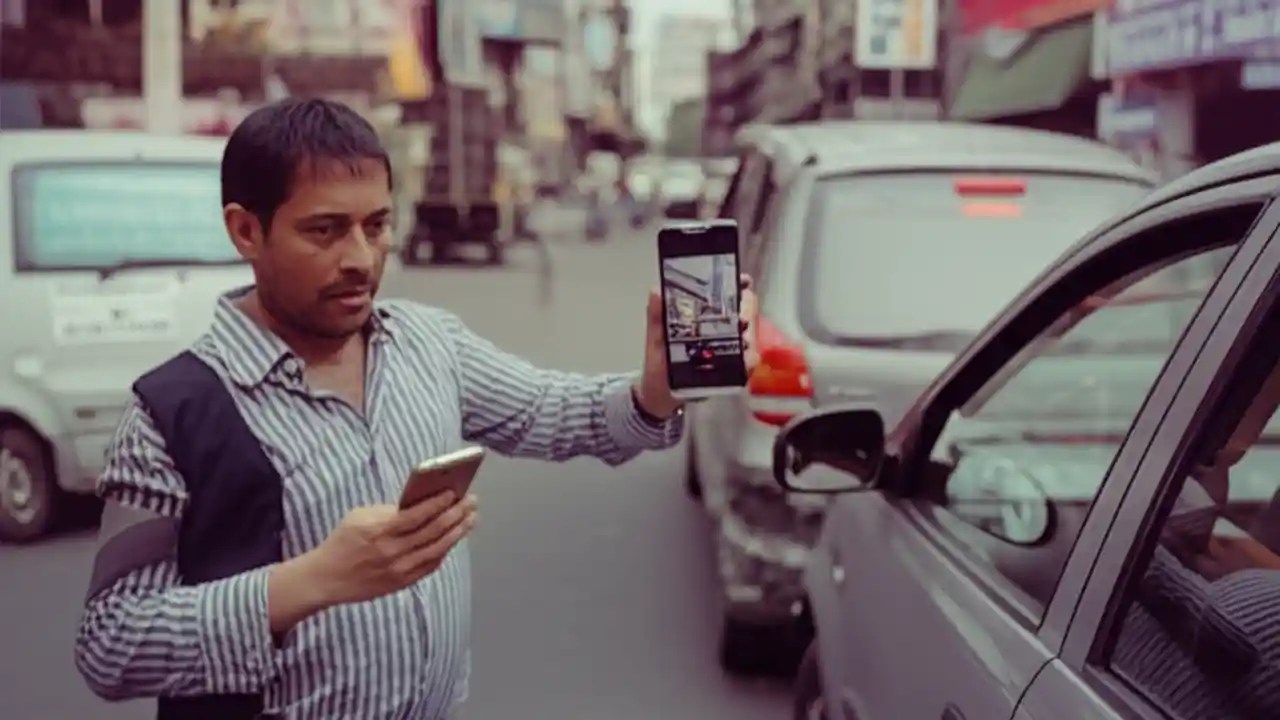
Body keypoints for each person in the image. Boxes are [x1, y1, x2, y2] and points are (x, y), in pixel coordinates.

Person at [73, 98, 758, 720]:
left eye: (376, 226)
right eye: (324, 231)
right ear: (246, 231)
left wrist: (656, 390)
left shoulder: (427, 343)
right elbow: (111, 644)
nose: (361, 258)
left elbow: (552, 411)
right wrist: (314, 580)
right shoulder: (168, 416)